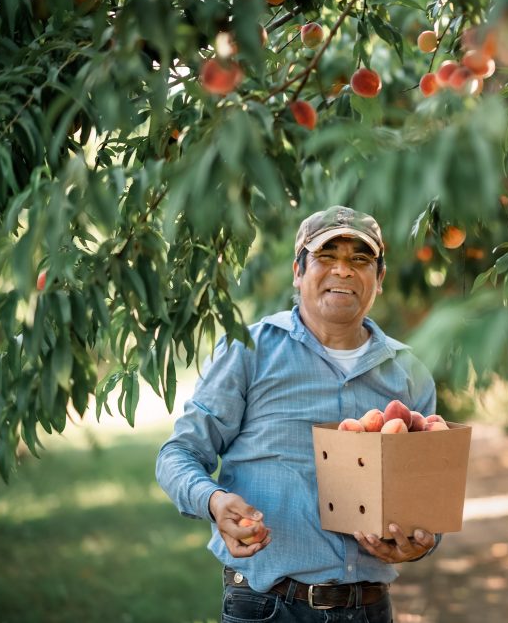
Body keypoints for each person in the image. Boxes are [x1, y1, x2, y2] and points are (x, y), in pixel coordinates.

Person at [156, 205, 439, 622]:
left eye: (360, 260)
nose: (343, 271)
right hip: (267, 606)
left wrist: (423, 543)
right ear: (298, 271)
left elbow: (430, 495)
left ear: (378, 280)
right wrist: (214, 501)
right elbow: (177, 454)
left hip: (368, 609)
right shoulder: (249, 352)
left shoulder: (408, 373)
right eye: (326, 257)